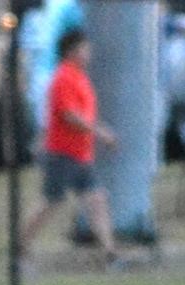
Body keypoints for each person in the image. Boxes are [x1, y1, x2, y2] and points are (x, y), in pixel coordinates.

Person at [16, 28, 118, 268]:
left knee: (97, 199)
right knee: (50, 202)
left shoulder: (79, 77)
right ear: (72, 51)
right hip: (62, 153)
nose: (88, 54)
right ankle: (20, 246)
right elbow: (69, 115)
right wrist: (101, 132)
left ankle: (110, 252)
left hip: (81, 154)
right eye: (84, 49)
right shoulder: (63, 77)